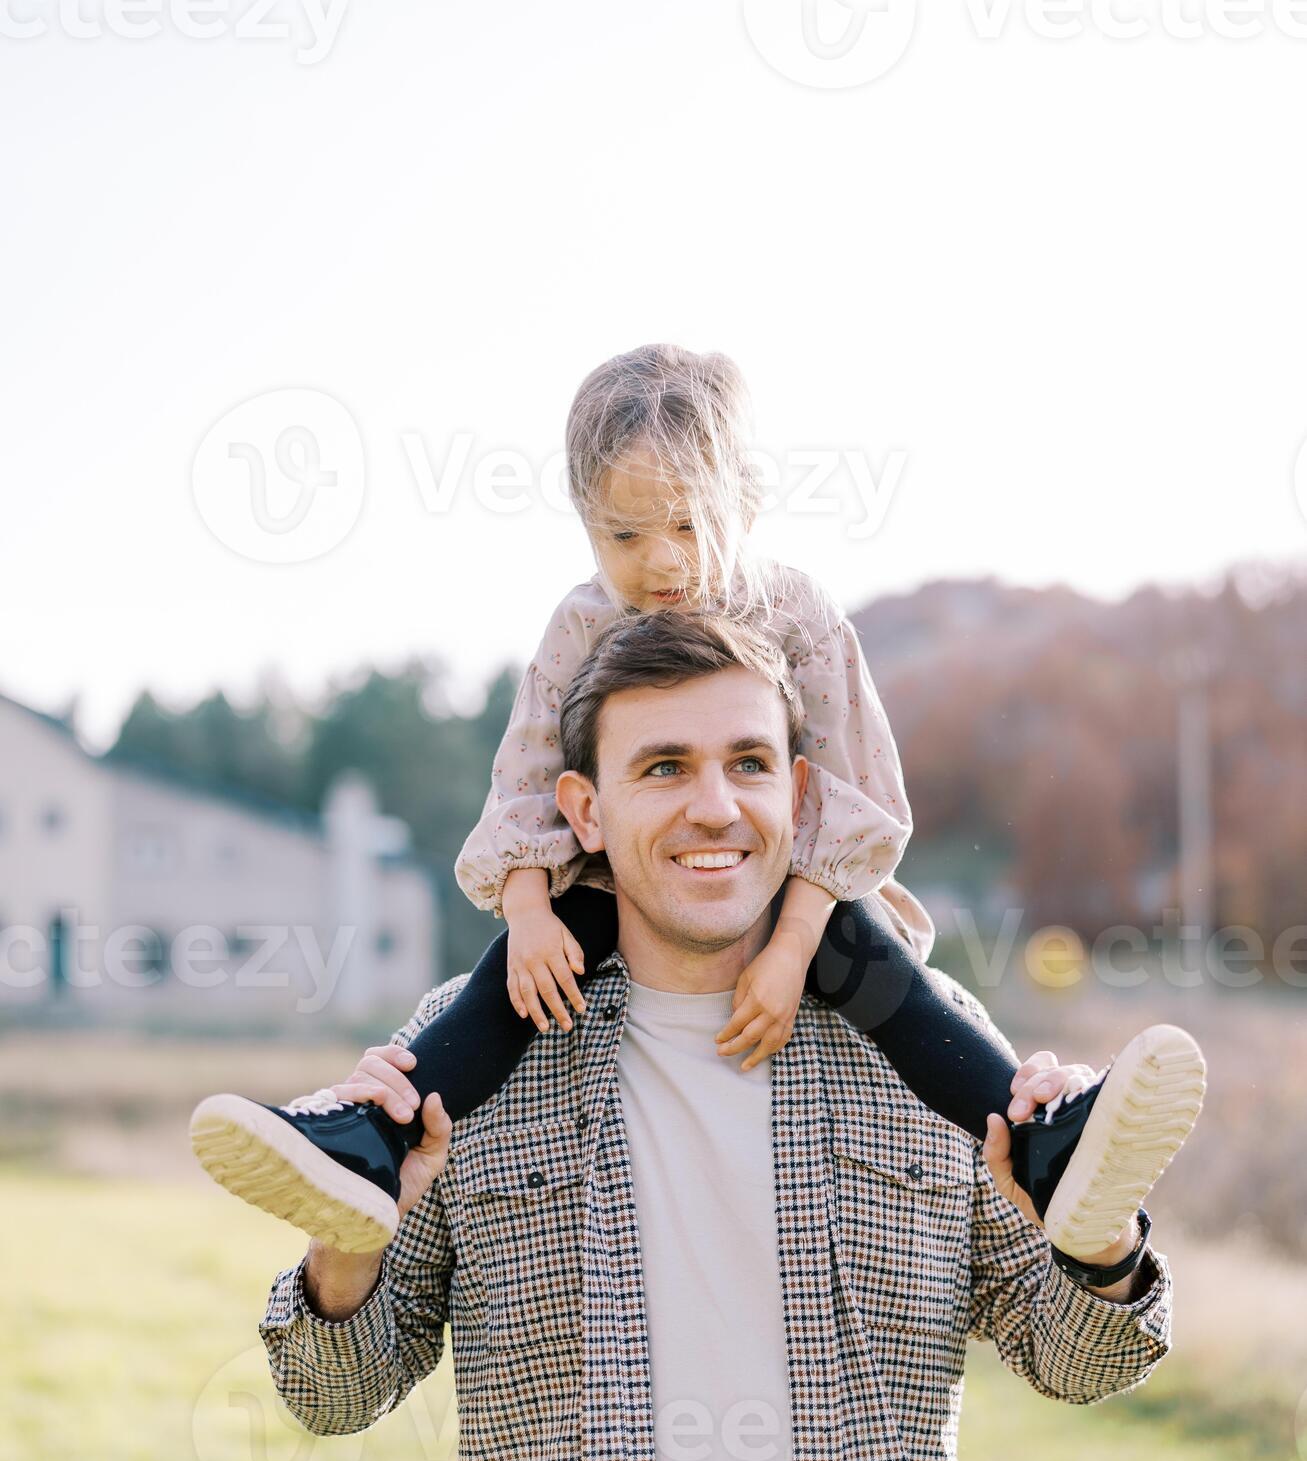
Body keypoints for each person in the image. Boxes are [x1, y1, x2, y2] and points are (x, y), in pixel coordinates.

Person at [260, 610, 1190, 1461]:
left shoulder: (918, 1054)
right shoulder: (463, 1067)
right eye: (662, 769)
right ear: (577, 805)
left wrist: (1090, 1244)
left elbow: (1082, 1359)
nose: (715, 807)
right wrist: (349, 1240)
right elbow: (329, 1395)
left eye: (748, 764)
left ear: (798, 793)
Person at [192, 342, 1205, 1267]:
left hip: (803, 891)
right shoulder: (582, 621)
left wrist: (789, 945)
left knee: (882, 975)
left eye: (686, 524)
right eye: (625, 533)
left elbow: (848, 790)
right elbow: (530, 776)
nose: (663, 561)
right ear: (586, 522)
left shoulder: (795, 612)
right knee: (509, 984)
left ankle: (1039, 1145)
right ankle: (373, 1138)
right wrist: (529, 909)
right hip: (605, 891)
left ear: (742, 502)